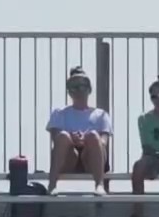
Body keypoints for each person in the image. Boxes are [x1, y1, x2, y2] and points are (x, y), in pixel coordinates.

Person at [46, 66, 111, 195]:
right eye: (74, 86)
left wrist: (85, 140)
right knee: (63, 136)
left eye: (82, 86)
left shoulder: (101, 114)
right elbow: (56, 138)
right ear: (69, 91)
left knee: (93, 135)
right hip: (69, 158)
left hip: (91, 158)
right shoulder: (59, 113)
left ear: (89, 89)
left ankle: (99, 184)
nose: (79, 90)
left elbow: (104, 142)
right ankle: (52, 184)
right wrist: (72, 139)